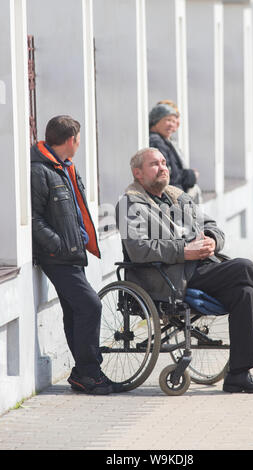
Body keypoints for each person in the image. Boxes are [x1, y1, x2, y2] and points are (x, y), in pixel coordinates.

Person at [117, 147, 253, 393]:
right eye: (154, 164)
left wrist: (213, 240)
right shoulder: (130, 204)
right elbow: (139, 250)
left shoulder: (178, 197)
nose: (162, 168)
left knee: (245, 292)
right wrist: (184, 251)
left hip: (202, 269)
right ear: (137, 173)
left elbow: (212, 225)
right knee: (245, 266)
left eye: (163, 163)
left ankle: (238, 375)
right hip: (170, 277)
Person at [31, 115, 123, 395]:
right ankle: (90, 373)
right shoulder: (40, 170)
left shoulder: (65, 167)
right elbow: (33, 217)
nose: (80, 143)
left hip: (72, 253)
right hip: (57, 256)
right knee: (90, 306)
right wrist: (57, 244)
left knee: (76, 311)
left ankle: (82, 374)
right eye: (79, 138)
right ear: (72, 139)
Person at [149, 103, 201, 202]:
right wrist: (192, 175)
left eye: (174, 121)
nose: (172, 125)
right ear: (156, 120)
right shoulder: (156, 141)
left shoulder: (164, 140)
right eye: (168, 120)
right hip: (169, 198)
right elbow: (169, 175)